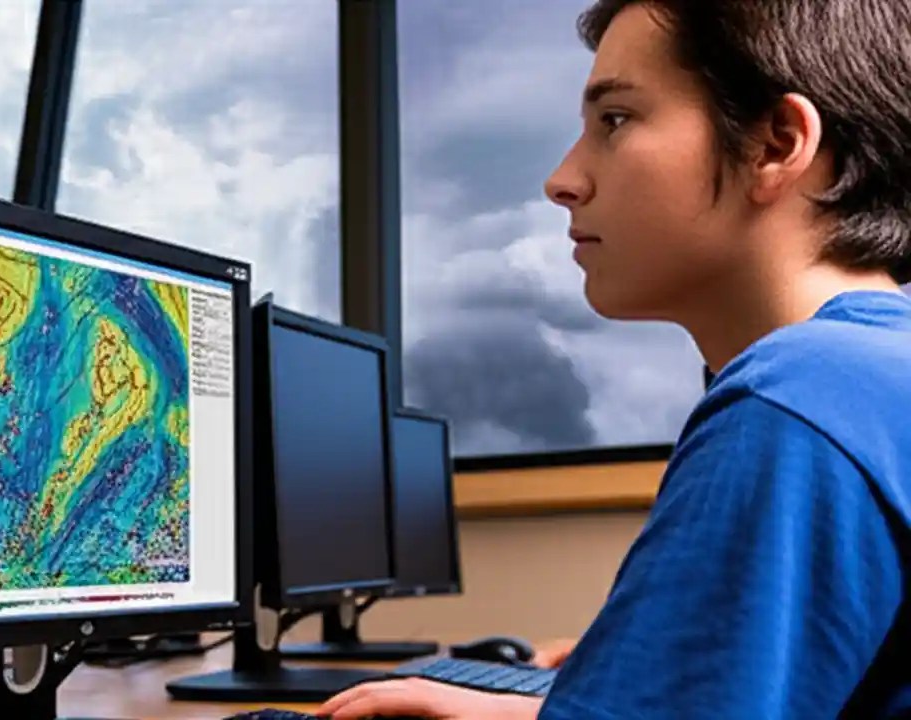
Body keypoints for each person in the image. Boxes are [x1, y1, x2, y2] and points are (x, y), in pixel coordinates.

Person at [320, 0, 911, 718]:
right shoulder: (878, 371)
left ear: (776, 144)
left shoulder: (799, 404)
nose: (562, 179)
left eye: (616, 121)